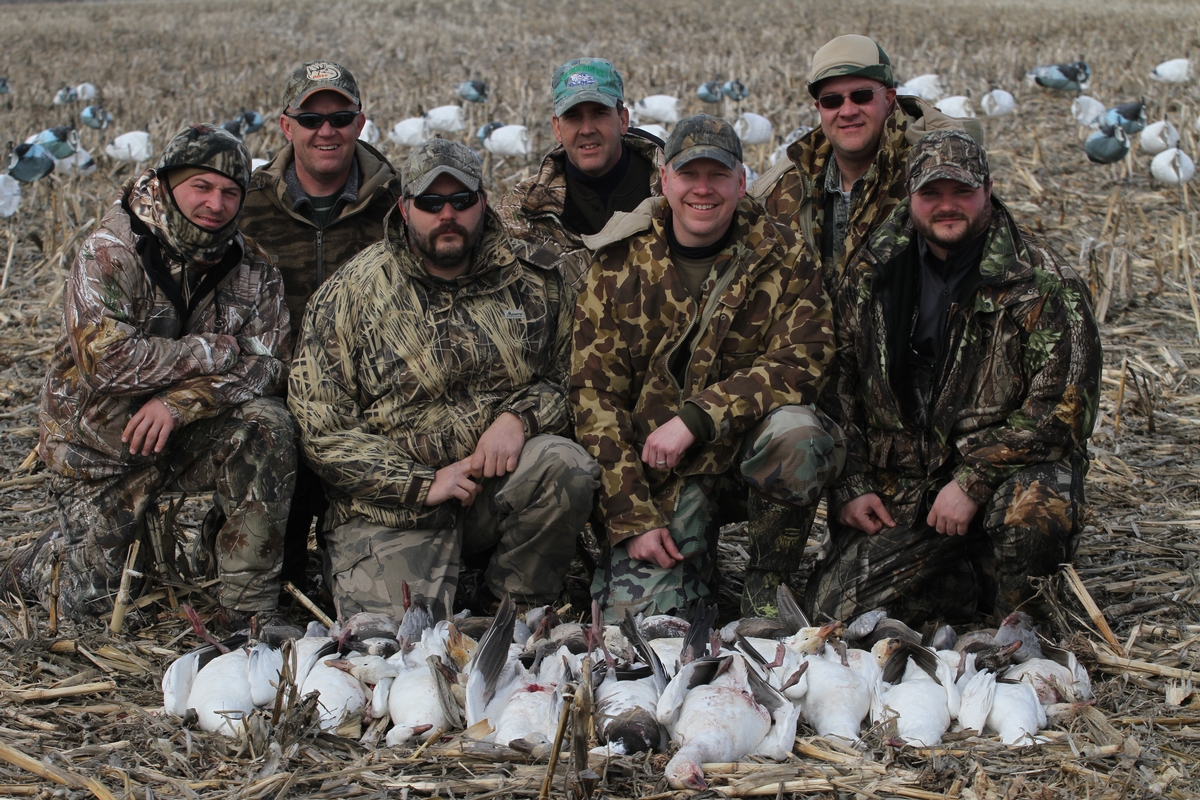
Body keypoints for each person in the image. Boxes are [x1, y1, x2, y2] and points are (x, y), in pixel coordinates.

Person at [3, 124, 298, 637]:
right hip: (98, 450)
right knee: (86, 606)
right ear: (164, 184)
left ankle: (248, 613)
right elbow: (107, 361)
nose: (216, 203)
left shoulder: (254, 267)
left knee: (267, 424)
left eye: (230, 192)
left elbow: (270, 364)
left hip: (184, 435)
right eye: (201, 187)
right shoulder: (111, 251)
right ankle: (37, 560)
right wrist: (207, 351)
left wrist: (181, 403)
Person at [288, 139, 599, 622]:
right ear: (405, 207)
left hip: (492, 489)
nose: (447, 214)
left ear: (484, 201)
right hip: (390, 508)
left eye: (461, 200)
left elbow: (574, 377)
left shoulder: (537, 279)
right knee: (399, 648)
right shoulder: (350, 294)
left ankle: (516, 606)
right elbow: (323, 430)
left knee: (565, 464)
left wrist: (520, 418)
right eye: (431, 203)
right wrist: (420, 483)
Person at [808, 130, 1102, 626]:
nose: (947, 206)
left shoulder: (1042, 282)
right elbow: (840, 386)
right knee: (832, 611)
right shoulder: (872, 271)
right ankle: (970, 573)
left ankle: (1025, 626)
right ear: (910, 195)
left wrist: (973, 480)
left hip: (1001, 476)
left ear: (987, 190)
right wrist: (852, 483)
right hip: (906, 483)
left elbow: (1065, 410)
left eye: (961, 192)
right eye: (931, 193)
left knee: (1035, 509)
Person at [740, 34, 983, 618]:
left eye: (860, 95)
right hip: (822, 386)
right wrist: (848, 480)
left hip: (913, 400)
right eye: (830, 99)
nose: (846, 110)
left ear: (889, 97)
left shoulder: (931, 168)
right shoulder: (785, 186)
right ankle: (766, 590)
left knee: (923, 589)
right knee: (790, 434)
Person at [571, 115, 843, 622]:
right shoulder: (616, 265)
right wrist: (631, 516)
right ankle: (689, 570)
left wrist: (699, 417)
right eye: (689, 174)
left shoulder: (784, 255)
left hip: (746, 454)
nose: (703, 189)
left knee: (798, 434)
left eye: (717, 175)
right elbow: (594, 400)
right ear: (665, 180)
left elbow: (803, 359)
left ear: (742, 182)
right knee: (641, 627)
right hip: (662, 477)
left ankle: (768, 586)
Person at [239, 60, 399, 590]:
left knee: (366, 589)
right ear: (287, 126)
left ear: (360, 123)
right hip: (278, 402)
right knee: (266, 568)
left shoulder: (402, 203)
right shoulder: (247, 206)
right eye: (311, 118)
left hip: (373, 407)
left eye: (340, 117)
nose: (325, 130)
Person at [499, 57, 662, 292]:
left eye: (599, 113)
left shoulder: (677, 198)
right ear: (556, 127)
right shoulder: (520, 212)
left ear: (623, 120)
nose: (587, 129)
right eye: (573, 116)